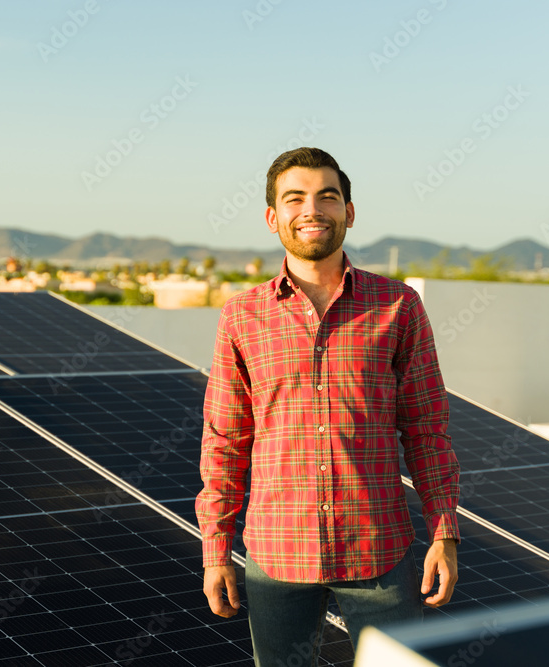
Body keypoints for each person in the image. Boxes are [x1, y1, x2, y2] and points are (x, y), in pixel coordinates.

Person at [196, 147, 460, 665]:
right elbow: (225, 440)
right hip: (276, 557)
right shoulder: (241, 316)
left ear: (349, 212)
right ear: (273, 217)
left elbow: (427, 430)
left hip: (379, 553)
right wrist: (215, 551)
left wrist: (444, 533)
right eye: (294, 198)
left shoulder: (398, 306)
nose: (312, 209)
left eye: (327, 196)